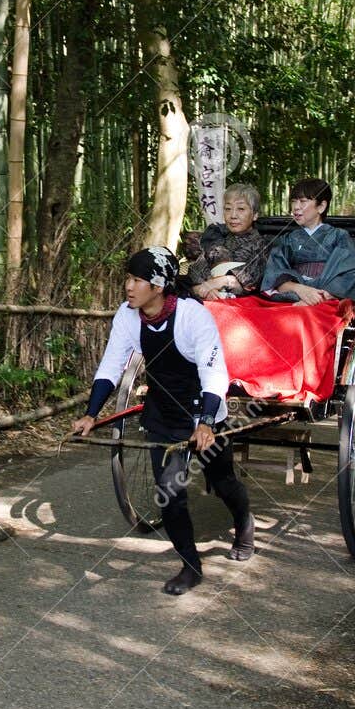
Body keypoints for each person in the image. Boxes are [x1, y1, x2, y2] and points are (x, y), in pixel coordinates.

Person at [70, 247, 254, 594]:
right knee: (169, 492)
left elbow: (214, 372)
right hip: (163, 415)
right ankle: (190, 567)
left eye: (137, 279)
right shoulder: (127, 316)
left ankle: (244, 523)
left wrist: (205, 423)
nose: (129, 286)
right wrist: (91, 414)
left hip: (205, 410)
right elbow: (112, 367)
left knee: (223, 480)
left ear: (157, 285)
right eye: (128, 278)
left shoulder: (192, 316)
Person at [260, 179, 355, 304]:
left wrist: (319, 297)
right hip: (291, 296)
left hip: (326, 299)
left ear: (321, 206)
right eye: (293, 201)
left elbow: (349, 271)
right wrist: (299, 289)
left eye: (303, 201)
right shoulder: (287, 239)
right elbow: (274, 274)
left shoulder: (338, 236)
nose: (296, 207)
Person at [184, 183, 270, 300]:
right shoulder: (217, 240)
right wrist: (202, 290)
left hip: (242, 309)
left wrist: (221, 282)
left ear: (255, 215)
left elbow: (250, 284)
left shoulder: (261, 245)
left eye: (241, 209)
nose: (233, 215)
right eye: (228, 209)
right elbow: (193, 276)